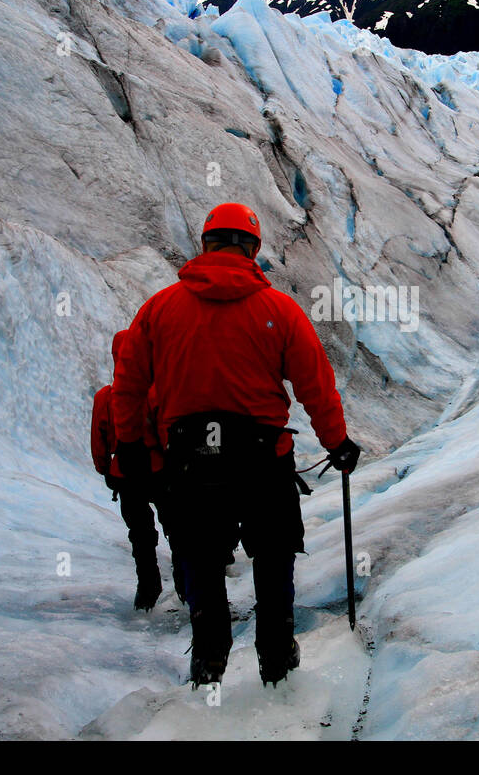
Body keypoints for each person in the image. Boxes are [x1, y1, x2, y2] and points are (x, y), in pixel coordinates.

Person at [112, 202, 361, 687]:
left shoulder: (159, 309)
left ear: (205, 245)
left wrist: (130, 446)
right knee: (273, 554)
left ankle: (208, 661)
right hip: (262, 459)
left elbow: (129, 383)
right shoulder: (280, 310)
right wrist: (338, 442)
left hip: (189, 462)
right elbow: (315, 384)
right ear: (254, 249)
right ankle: (276, 659)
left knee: (201, 557)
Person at [91, 330, 163, 611]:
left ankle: (147, 589)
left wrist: (104, 468)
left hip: (125, 473)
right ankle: (186, 587)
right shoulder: (157, 392)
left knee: (140, 535)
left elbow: (99, 438)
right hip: (160, 469)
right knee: (177, 528)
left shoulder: (105, 397)